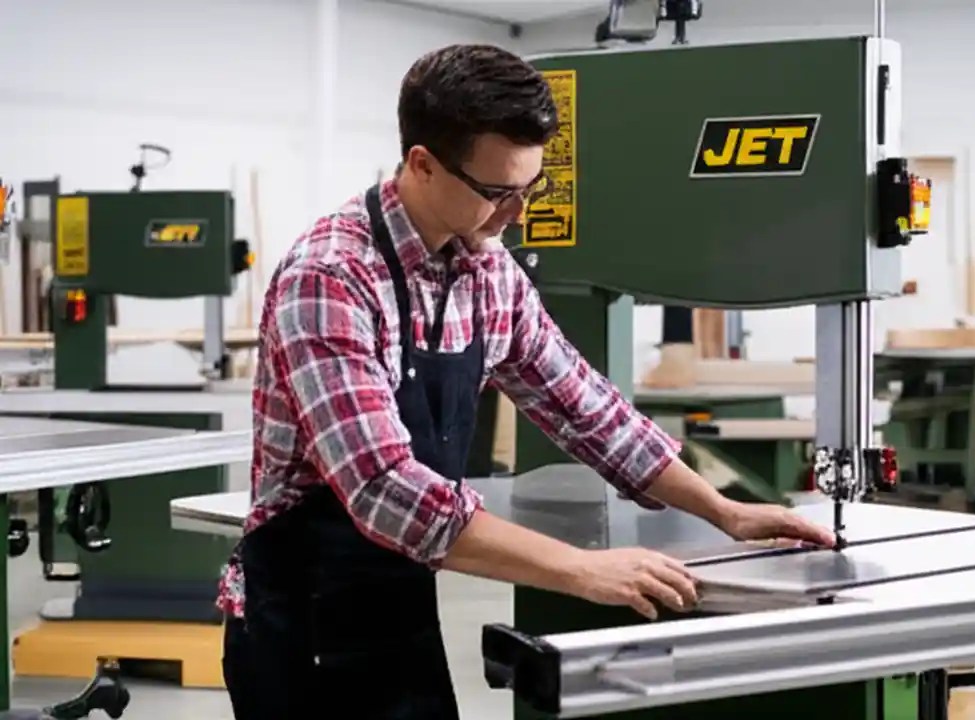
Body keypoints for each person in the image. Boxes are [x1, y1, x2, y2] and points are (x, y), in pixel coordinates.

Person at [217, 43, 836, 719]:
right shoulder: (332, 277)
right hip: (301, 621)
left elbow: (586, 407)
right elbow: (384, 488)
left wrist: (722, 510)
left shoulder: (486, 269)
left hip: (396, 606)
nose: (515, 213)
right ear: (422, 165)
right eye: (497, 192)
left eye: (529, 188)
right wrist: (580, 569)